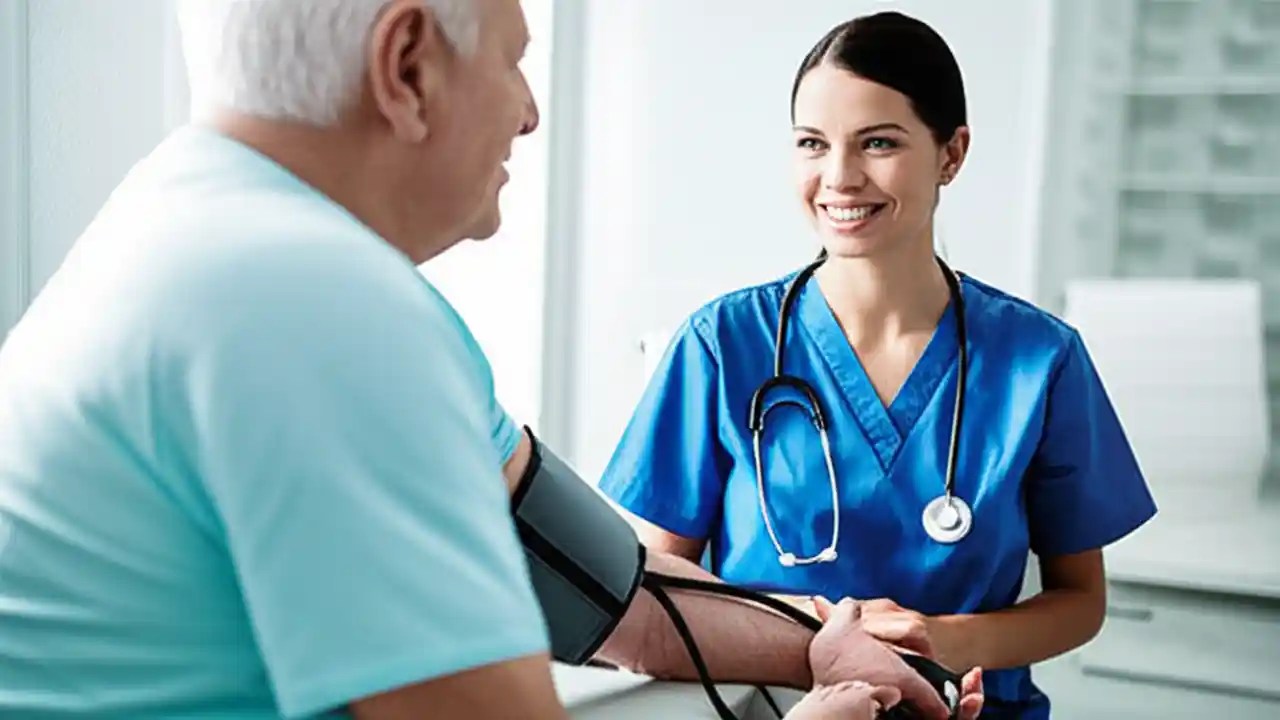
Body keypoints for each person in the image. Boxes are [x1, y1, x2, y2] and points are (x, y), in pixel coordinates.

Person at [0, 1, 984, 718]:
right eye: (515, 60)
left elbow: (613, 592)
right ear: (408, 63)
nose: (526, 112)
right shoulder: (318, 305)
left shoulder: (205, 223)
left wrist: (821, 637)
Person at [598, 10, 1158, 720]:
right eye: (812, 143)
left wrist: (946, 640)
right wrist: (814, 643)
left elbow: (1081, 602)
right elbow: (661, 599)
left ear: (951, 154)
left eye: (879, 143)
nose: (839, 177)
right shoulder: (721, 346)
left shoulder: (1037, 361)